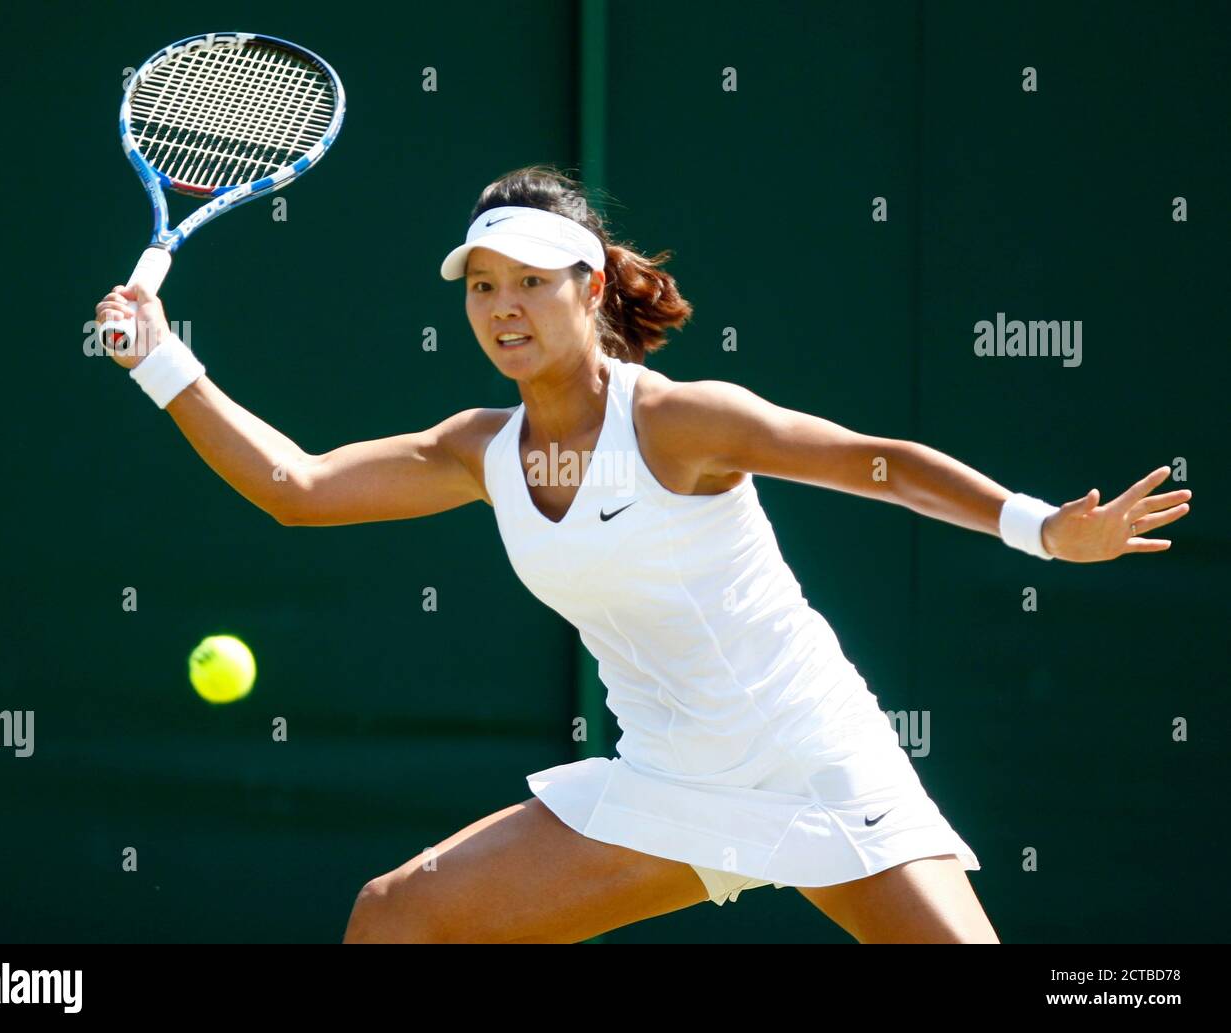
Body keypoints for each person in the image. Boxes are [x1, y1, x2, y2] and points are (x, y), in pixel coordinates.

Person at [94, 165, 1193, 944]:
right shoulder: (478, 448)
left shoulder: (680, 420)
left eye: (529, 280)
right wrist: (160, 364)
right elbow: (298, 489)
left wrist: (1040, 526)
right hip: (668, 775)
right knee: (399, 918)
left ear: (588, 285)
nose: (502, 307)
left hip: (814, 756)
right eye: (482, 284)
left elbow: (877, 461)